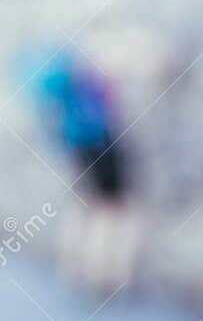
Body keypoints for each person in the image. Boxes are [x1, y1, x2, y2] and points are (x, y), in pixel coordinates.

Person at [22, 46, 137, 290]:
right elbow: (104, 108)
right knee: (106, 205)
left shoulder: (70, 80)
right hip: (96, 144)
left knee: (93, 203)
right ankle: (95, 270)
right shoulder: (81, 78)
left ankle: (81, 267)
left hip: (84, 146)